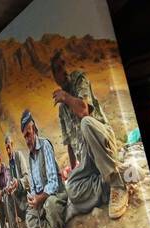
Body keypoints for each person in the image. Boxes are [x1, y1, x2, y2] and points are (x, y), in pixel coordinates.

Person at [51, 50, 129, 219]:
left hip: (103, 146)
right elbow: (69, 145)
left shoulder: (79, 79)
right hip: (88, 162)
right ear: (54, 77)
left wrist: (65, 96)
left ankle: (117, 185)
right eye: (58, 68)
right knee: (71, 188)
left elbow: (83, 110)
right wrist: (74, 172)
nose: (63, 70)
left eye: (64, 64)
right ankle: (107, 184)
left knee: (85, 123)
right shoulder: (62, 110)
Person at [21, 110, 67, 228]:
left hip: (55, 194)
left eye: (28, 134)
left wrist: (39, 198)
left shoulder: (45, 145)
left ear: (34, 130)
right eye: (25, 137)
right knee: (29, 219)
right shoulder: (30, 157)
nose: (27, 139)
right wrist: (33, 198)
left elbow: (53, 183)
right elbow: (34, 187)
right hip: (41, 199)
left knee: (50, 205)